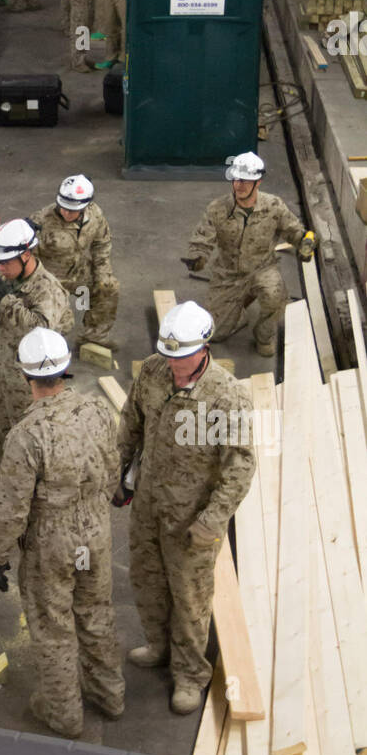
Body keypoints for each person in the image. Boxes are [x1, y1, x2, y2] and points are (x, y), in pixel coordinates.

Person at [114, 301, 255, 714]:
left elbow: (240, 466)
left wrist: (212, 521)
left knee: (191, 598)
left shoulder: (228, 397)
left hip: (192, 518)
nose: (174, 364)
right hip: (149, 505)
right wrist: (118, 474)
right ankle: (159, 645)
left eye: (183, 357)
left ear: (204, 348)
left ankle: (190, 675)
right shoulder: (154, 372)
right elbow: (130, 424)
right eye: (169, 355)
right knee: (147, 580)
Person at [0, 329, 124, 739]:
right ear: (66, 370)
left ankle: (64, 713)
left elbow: (12, 509)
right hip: (96, 532)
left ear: (26, 377)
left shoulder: (25, 435)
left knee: (52, 626)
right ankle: (110, 694)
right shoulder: (99, 411)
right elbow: (113, 468)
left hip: (52, 542)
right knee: (96, 612)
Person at [0, 218, 73, 512]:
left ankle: (30, 495)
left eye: (6, 262)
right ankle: (5, 477)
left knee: (29, 439)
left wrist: (6, 302)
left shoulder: (48, 290)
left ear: (26, 255)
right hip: (2, 373)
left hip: (29, 383)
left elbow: (41, 329)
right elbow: (2, 308)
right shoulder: (10, 280)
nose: (0, 268)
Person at [182, 152, 315, 356]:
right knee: (215, 334)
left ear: (258, 181)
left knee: (275, 294)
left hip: (262, 268)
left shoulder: (274, 206)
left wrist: (304, 242)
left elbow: (294, 231)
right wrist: (197, 258)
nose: (239, 185)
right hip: (228, 274)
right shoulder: (218, 209)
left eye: (245, 181)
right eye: (236, 179)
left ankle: (264, 335)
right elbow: (202, 240)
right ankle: (239, 311)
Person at [32, 174, 119, 351]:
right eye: (63, 207)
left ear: (86, 205)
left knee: (108, 287)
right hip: (49, 279)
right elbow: (25, 261)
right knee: (64, 322)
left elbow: (101, 243)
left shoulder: (94, 214)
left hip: (78, 273)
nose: (66, 212)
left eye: (72, 210)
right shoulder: (40, 222)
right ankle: (43, 350)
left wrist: (102, 273)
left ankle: (94, 337)